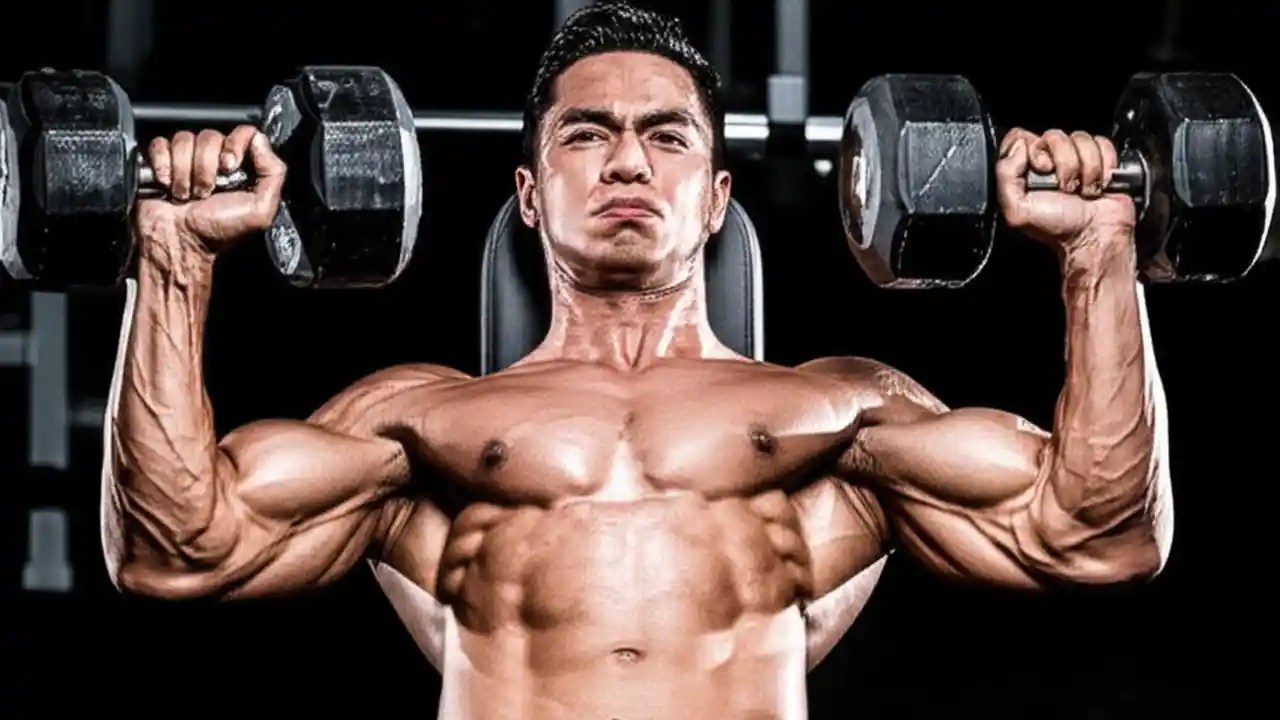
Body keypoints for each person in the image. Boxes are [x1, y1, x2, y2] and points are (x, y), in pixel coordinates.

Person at [99, 2, 1173, 718]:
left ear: (714, 200)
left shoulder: (840, 414)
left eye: (666, 137)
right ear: (528, 194)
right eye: (582, 135)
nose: (623, 159)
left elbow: (1092, 533)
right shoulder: (417, 423)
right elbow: (181, 547)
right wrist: (174, 257)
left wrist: (1096, 255)